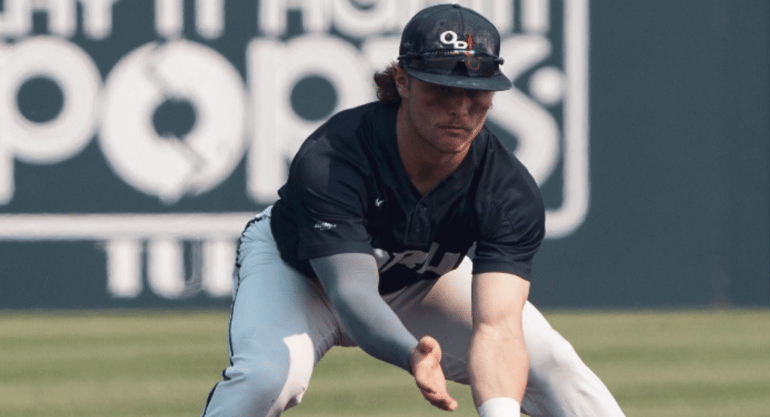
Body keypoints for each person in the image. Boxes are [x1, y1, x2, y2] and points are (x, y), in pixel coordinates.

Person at [201, 4, 625, 417]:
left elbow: (497, 329)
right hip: (301, 275)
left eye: (477, 91)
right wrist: (410, 353)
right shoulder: (332, 158)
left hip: (417, 281)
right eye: (442, 88)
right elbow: (351, 293)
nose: (461, 108)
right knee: (266, 378)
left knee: (551, 360)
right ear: (402, 81)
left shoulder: (506, 188)